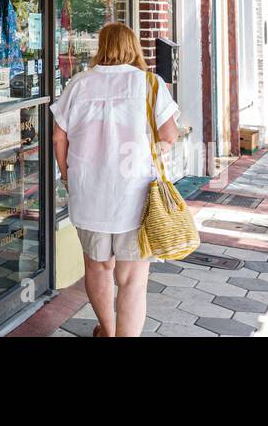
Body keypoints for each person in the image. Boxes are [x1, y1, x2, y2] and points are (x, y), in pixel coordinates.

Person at [51, 22, 180, 337]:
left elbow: (58, 137)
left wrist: (67, 175)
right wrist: (145, 155)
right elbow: (169, 135)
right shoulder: (150, 84)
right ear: (133, 46)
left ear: (101, 46)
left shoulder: (78, 84)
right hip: (134, 195)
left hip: (89, 192)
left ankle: (107, 331)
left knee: (97, 267)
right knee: (133, 279)